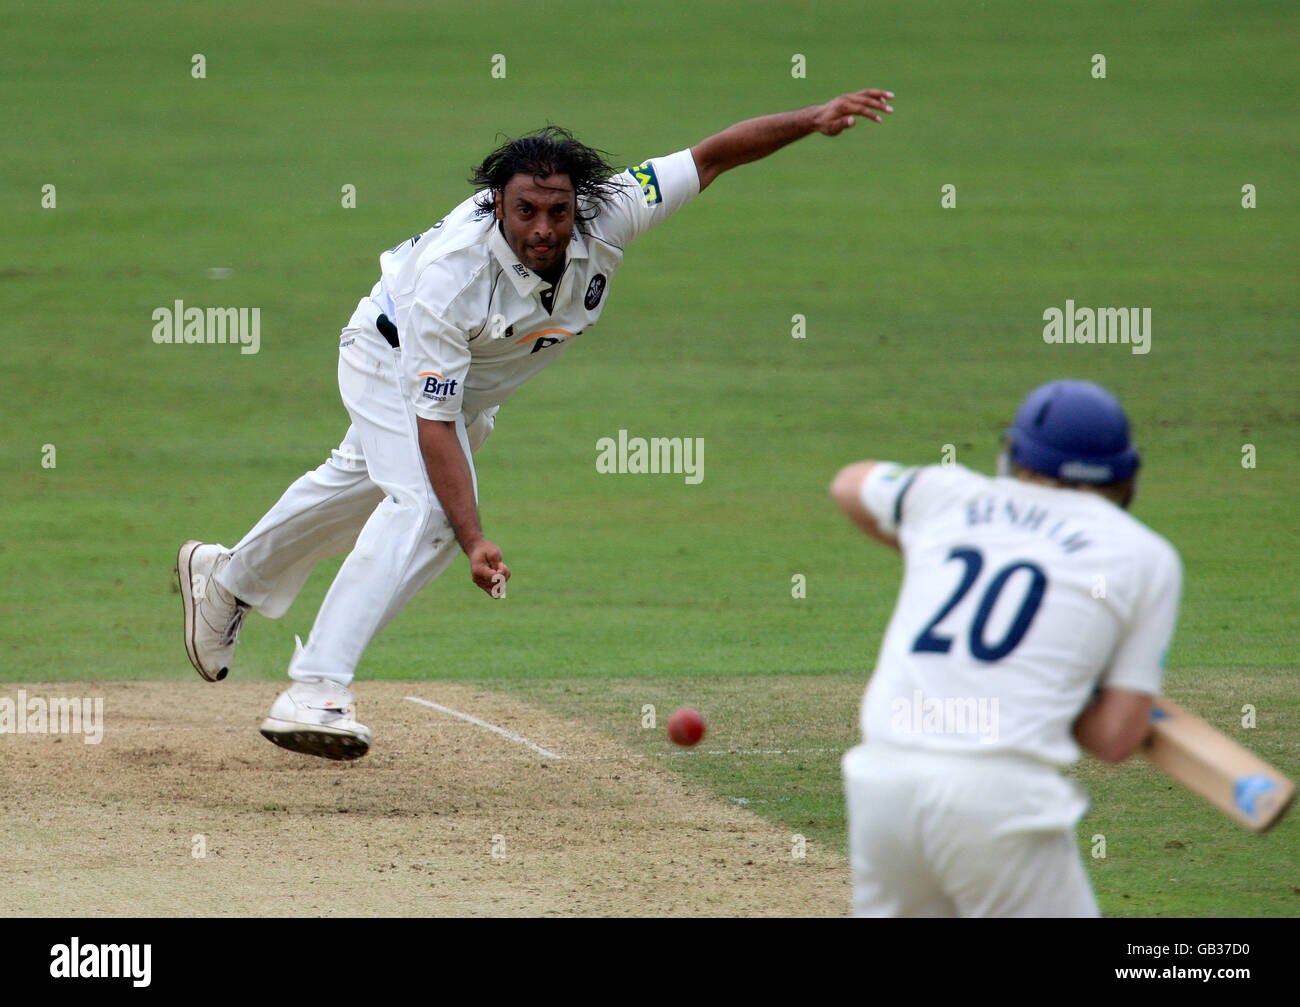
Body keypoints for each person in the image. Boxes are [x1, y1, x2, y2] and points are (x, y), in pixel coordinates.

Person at [177, 88, 896, 761]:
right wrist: (474, 536)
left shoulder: (611, 209)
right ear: (497, 204)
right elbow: (433, 430)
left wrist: (814, 117)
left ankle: (227, 578)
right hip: (388, 352)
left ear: (578, 202)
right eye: (526, 211)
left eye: (557, 210)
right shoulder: (450, 276)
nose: (544, 228)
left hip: (469, 393)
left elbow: (712, 156)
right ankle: (316, 689)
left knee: (354, 490)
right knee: (424, 507)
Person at [830, 379, 1182, 917]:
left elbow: (849, 484)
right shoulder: (1145, 557)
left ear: (1014, 455)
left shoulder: (946, 494)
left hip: (882, 785)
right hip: (997, 800)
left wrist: (925, 547)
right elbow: (1115, 738)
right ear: (1125, 475)